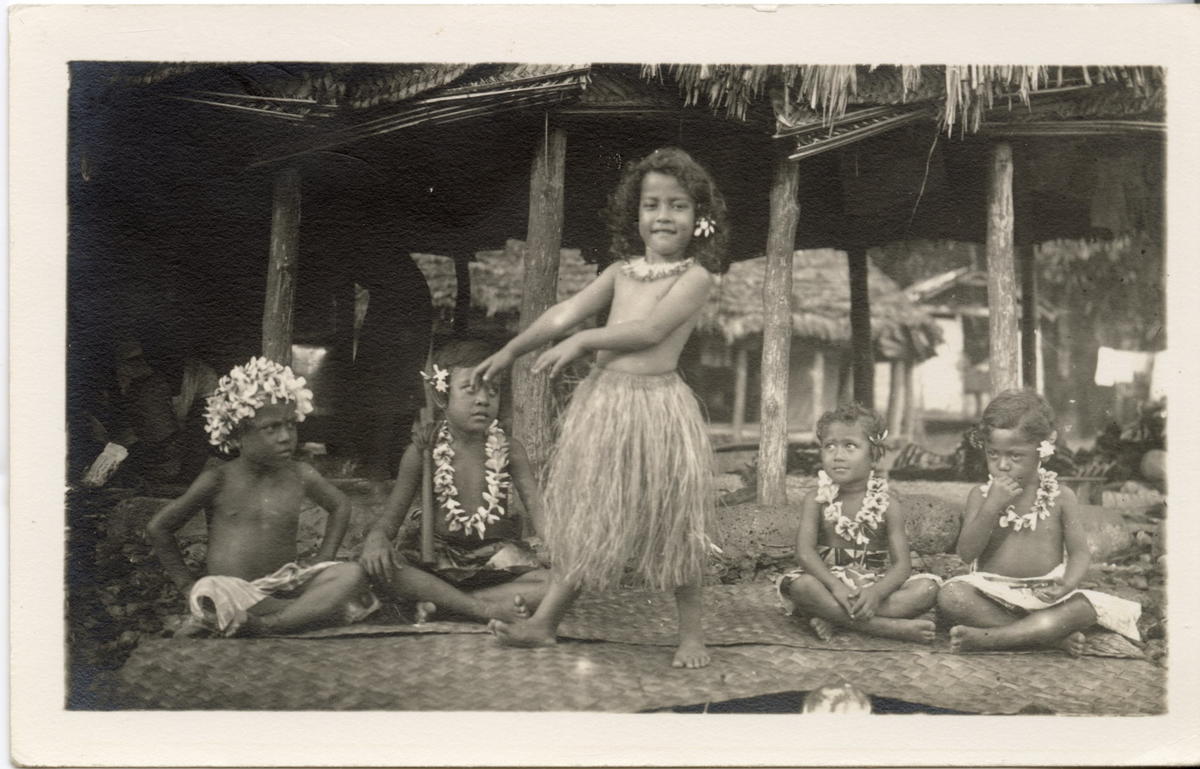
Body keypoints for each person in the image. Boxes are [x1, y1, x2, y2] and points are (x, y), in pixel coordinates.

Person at [471, 147, 727, 668]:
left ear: (699, 216)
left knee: (673, 521)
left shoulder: (696, 276)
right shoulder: (620, 272)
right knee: (590, 516)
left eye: (678, 205)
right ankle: (544, 625)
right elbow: (564, 312)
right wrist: (512, 350)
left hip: (657, 410)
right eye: (652, 204)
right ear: (635, 214)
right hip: (604, 403)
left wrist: (585, 340)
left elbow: (649, 331)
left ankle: (692, 636)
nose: (663, 216)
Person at [147, 356, 377, 637]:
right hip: (232, 589)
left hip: (284, 584)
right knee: (208, 591)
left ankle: (269, 624)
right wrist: (186, 585)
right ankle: (303, 615)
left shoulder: (300, 474)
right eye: (271, 428)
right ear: (237, 434)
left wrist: (324, 556)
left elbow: (340, 505)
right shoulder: (218, 479)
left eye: (291, 425)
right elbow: (159, 527)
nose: (286, 436)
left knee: (351, 573)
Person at [359, 339, 550, 624]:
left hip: (495, 562)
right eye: (470, 390)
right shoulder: (423, 451)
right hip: (434, 561)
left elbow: (536, 506)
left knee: (556, 584)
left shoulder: (511, 450)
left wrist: (556, 544)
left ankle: (447, 604)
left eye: (493, 390)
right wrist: (376, 539)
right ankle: (481, 607)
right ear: (442, 397)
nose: (483, 399)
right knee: (383, 570)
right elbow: (390, 520)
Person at [937, 389, 1143, 654]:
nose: (1002, 465)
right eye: (993, 454)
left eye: (1015, 456)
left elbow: (1080, 553)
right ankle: (1048, 638)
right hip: (992, 595)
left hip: (1047, 599)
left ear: (1042, 450)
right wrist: (991, 508)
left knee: (1084, 608)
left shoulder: (1061, 497)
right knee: (951, 596)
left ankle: (995, 637)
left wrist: (1067, 584)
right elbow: (966, 553)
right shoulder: (981, 495)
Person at [776, 403, 940, 644]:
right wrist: (836, 587)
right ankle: (886, 628)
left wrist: (876, 593)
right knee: (802, 587)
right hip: (827, 584)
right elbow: (804, 553)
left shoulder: (888, 504)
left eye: (850, 446)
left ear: (874, 455)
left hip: (872, 586)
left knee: (927, 589)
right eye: (829, 446)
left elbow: (902, 565)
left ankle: (834, 617)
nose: (837, 455)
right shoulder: (816, 499)